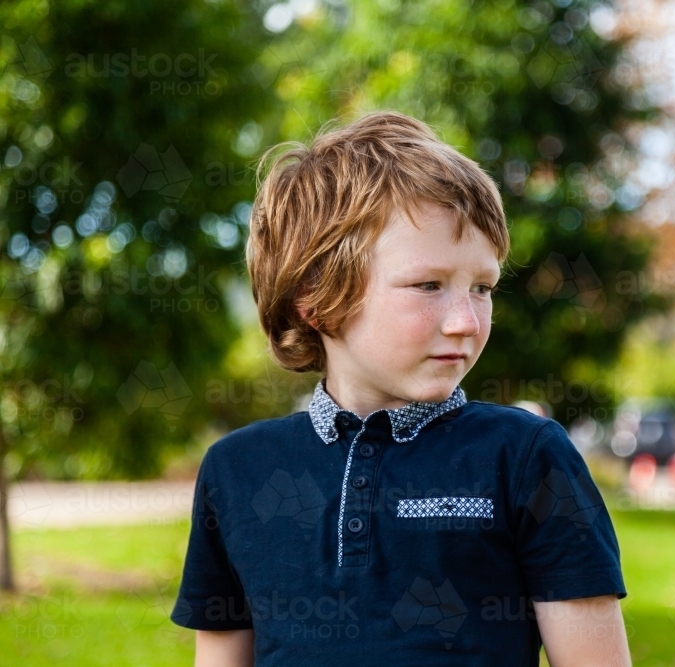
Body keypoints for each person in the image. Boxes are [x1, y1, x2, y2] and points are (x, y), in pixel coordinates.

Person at [170, 110, 630, 666]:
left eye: (482, 288)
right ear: (316, 299)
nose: (466, 320)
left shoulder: (528, 457)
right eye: (429, 285)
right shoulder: (236, 470)